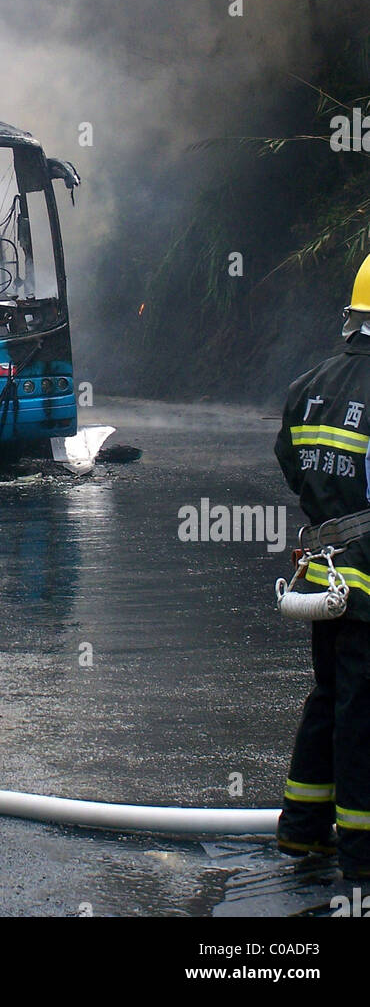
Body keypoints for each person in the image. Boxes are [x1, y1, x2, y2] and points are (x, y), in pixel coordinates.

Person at [274, 253, 370, 882]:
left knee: (330, 696)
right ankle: (362, 851)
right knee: (364, 713)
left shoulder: (311, 385)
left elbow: (289, 459)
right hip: (367, 583)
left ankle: (303, 830)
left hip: (324, 575)